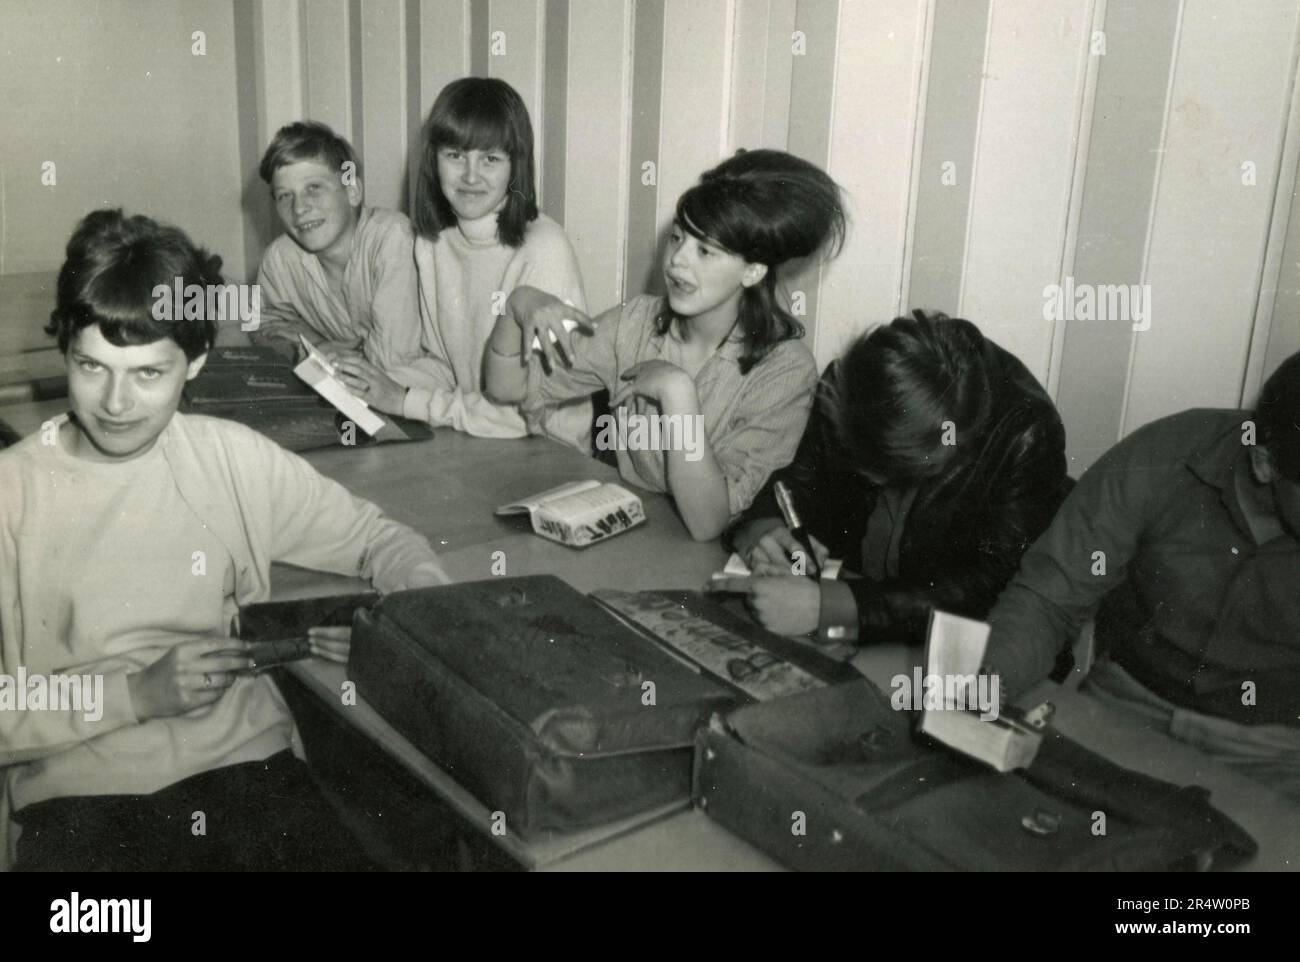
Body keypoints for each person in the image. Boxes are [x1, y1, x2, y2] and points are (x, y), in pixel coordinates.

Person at [0, 209, 449, 870]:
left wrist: (408, 627)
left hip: (248, 775)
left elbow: (379, 540)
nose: (116, 403)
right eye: (91, 367)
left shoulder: (232, 459)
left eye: (149, 374)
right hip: (84, 797)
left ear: (197, 363)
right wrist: (133, 696)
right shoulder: (14, 490)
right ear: (66, 350)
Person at [982, 353, 1300, 800]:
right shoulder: (1166, 453)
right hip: (1123, 710)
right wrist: (980, 692)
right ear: (1265, 464)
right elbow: (1048, 599)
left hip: (1274, 755)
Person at [485, 148, 845, 541]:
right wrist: (517, 306)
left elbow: (707, 522)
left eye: (704, 251)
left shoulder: (785, 370)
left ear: (753, 270)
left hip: (712, 557)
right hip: (636, 533)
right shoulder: (638, 322)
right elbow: (507, 387)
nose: (676, 261)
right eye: (677, 238)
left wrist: (677, 393)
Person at [717, 311, 1069, 641]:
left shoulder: (1026, 435)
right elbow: (796, 486)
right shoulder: (853, 385)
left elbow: (989, 589)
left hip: (945, 657)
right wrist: (761, 530)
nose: (867, 478)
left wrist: (834, 608)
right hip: (850, 629)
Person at [330, 78, 592, 450]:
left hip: (548, 450)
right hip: (474, 431)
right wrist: (367, 381)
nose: (470, 176)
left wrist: (403, 399)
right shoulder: (434, 239)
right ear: (433, 160)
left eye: (490, 158)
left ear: (515, 166)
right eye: (455, 155)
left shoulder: (545, 250)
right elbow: (442, 364)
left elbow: (527, 413)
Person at [253, 120, 423, 370]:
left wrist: (314, 342)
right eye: (285, 196)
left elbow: (392, 363)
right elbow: (265, 337)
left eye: (314, 188)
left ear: (352, 191)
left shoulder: (392, 238)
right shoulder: (280, 258)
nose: (299, 208)